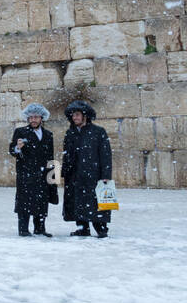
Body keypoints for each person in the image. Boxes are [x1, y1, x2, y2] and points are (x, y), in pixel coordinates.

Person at [61, 99, 113, 238]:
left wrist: (106, 173)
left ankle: (101, 228)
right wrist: (65, 172)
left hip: (94, 174)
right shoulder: (70, 133)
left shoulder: (98, 132)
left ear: (85, 116)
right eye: (73, 115)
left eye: (77, 114)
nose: (75, 117)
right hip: (75, 175)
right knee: (78, 202)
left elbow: (105, 154)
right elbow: (66, 154)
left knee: (96, 202)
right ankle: (83, 228)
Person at [10, 103, 54, 237]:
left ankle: (40, 228)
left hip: (43, 174)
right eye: (31, 117)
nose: (33, 119)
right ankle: (23, 229)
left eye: (36, 117)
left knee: (42, 201)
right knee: (25, 201)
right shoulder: (21, 132)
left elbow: (50, 156)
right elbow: (12, 150)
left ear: (42, 118)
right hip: (26, 173)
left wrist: (53, 176)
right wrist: (18, 148)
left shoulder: (48, 134)